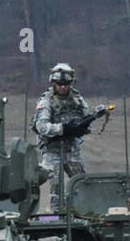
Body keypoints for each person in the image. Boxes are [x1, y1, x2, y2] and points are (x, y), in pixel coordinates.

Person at [32, 63, 108, 209]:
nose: (62, 87)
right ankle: (58, 218)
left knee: (83, 183)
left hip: (72, 148)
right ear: (53, 83)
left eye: (66, 84)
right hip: (52, 150)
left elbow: (86, 119)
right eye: (59, 84)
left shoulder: (77, 99)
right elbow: (42, 127)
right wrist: (63, 128)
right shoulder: (46, 100)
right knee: (57, 189)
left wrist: (81, 127)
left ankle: (85, 213)